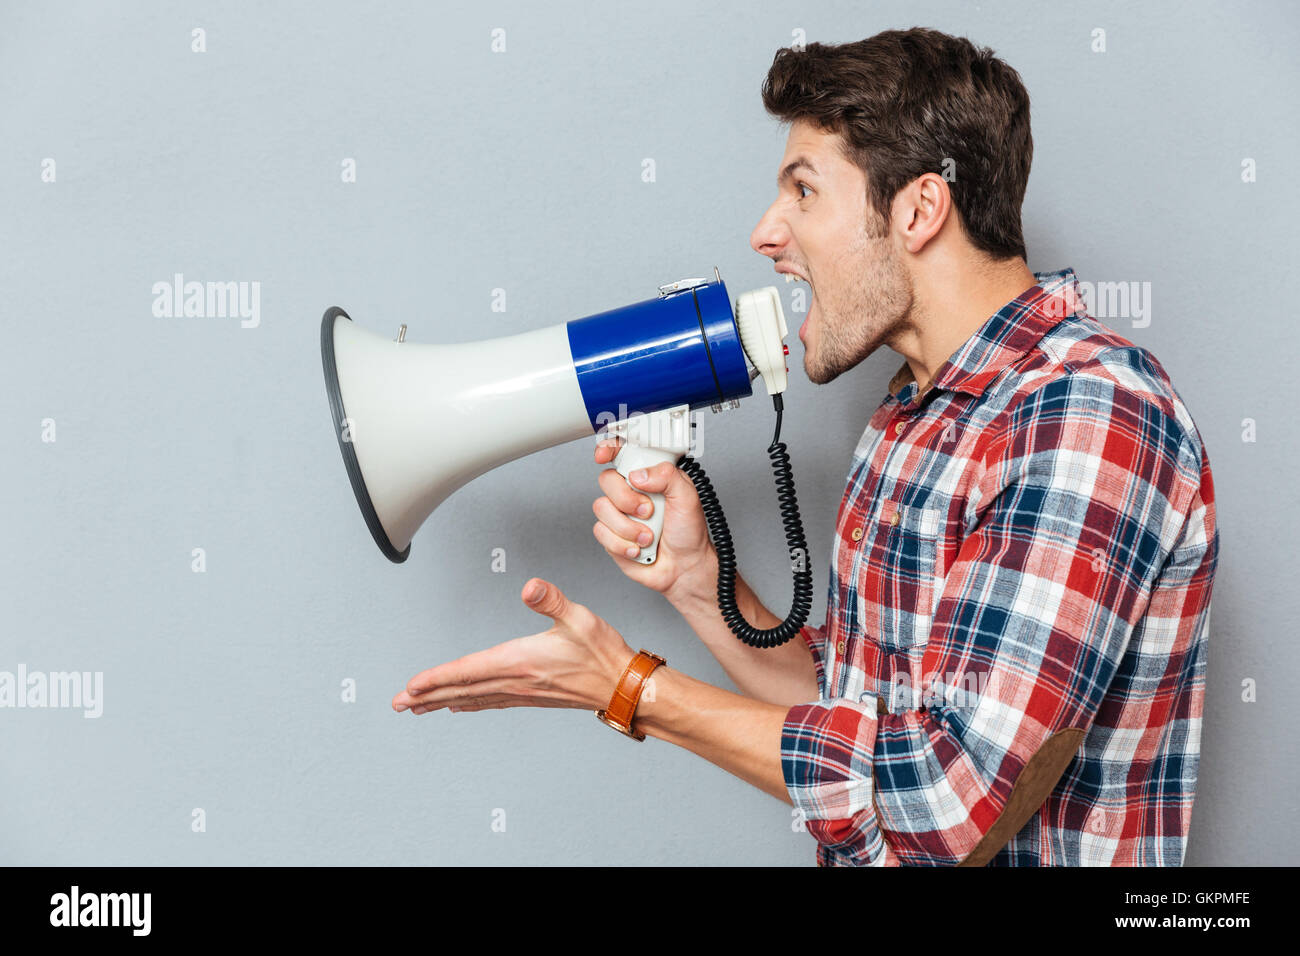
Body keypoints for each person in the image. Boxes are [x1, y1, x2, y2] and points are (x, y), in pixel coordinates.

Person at [391, 28, 1220, 866]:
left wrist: (633, 688)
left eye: (804, 190)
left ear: (919, 209)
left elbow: (948, 801)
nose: (765, 233)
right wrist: (700, 584)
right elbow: (859, 712)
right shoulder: (913, 414)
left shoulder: (1089, 412)